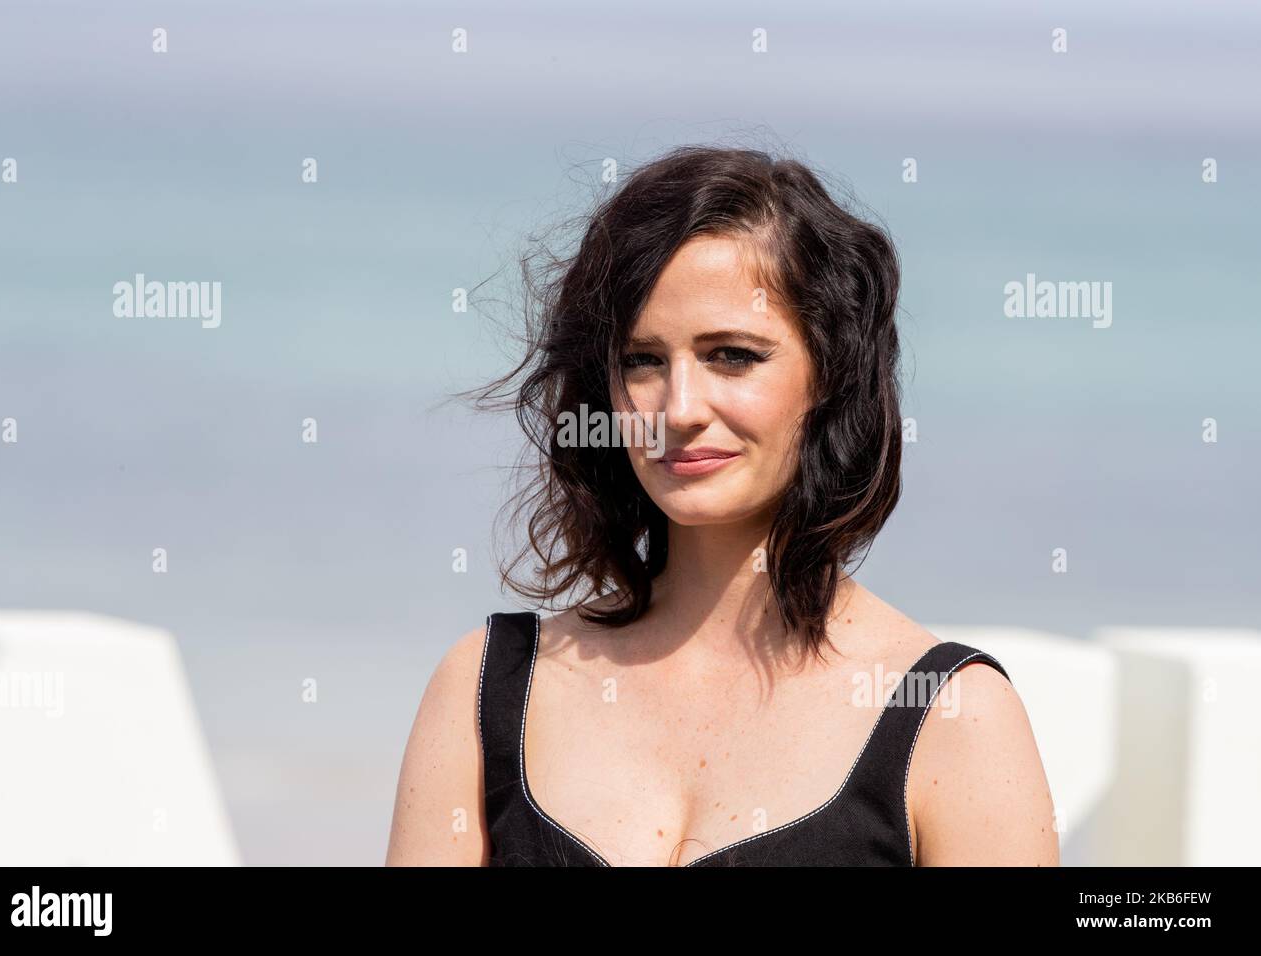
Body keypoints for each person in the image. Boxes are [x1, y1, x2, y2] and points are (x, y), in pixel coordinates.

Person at [385, 145, 1058, 866]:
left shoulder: (953, 716)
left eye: (732, 355)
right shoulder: (487, 689)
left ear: (830, 376)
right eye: (642, 361)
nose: (678, 408)